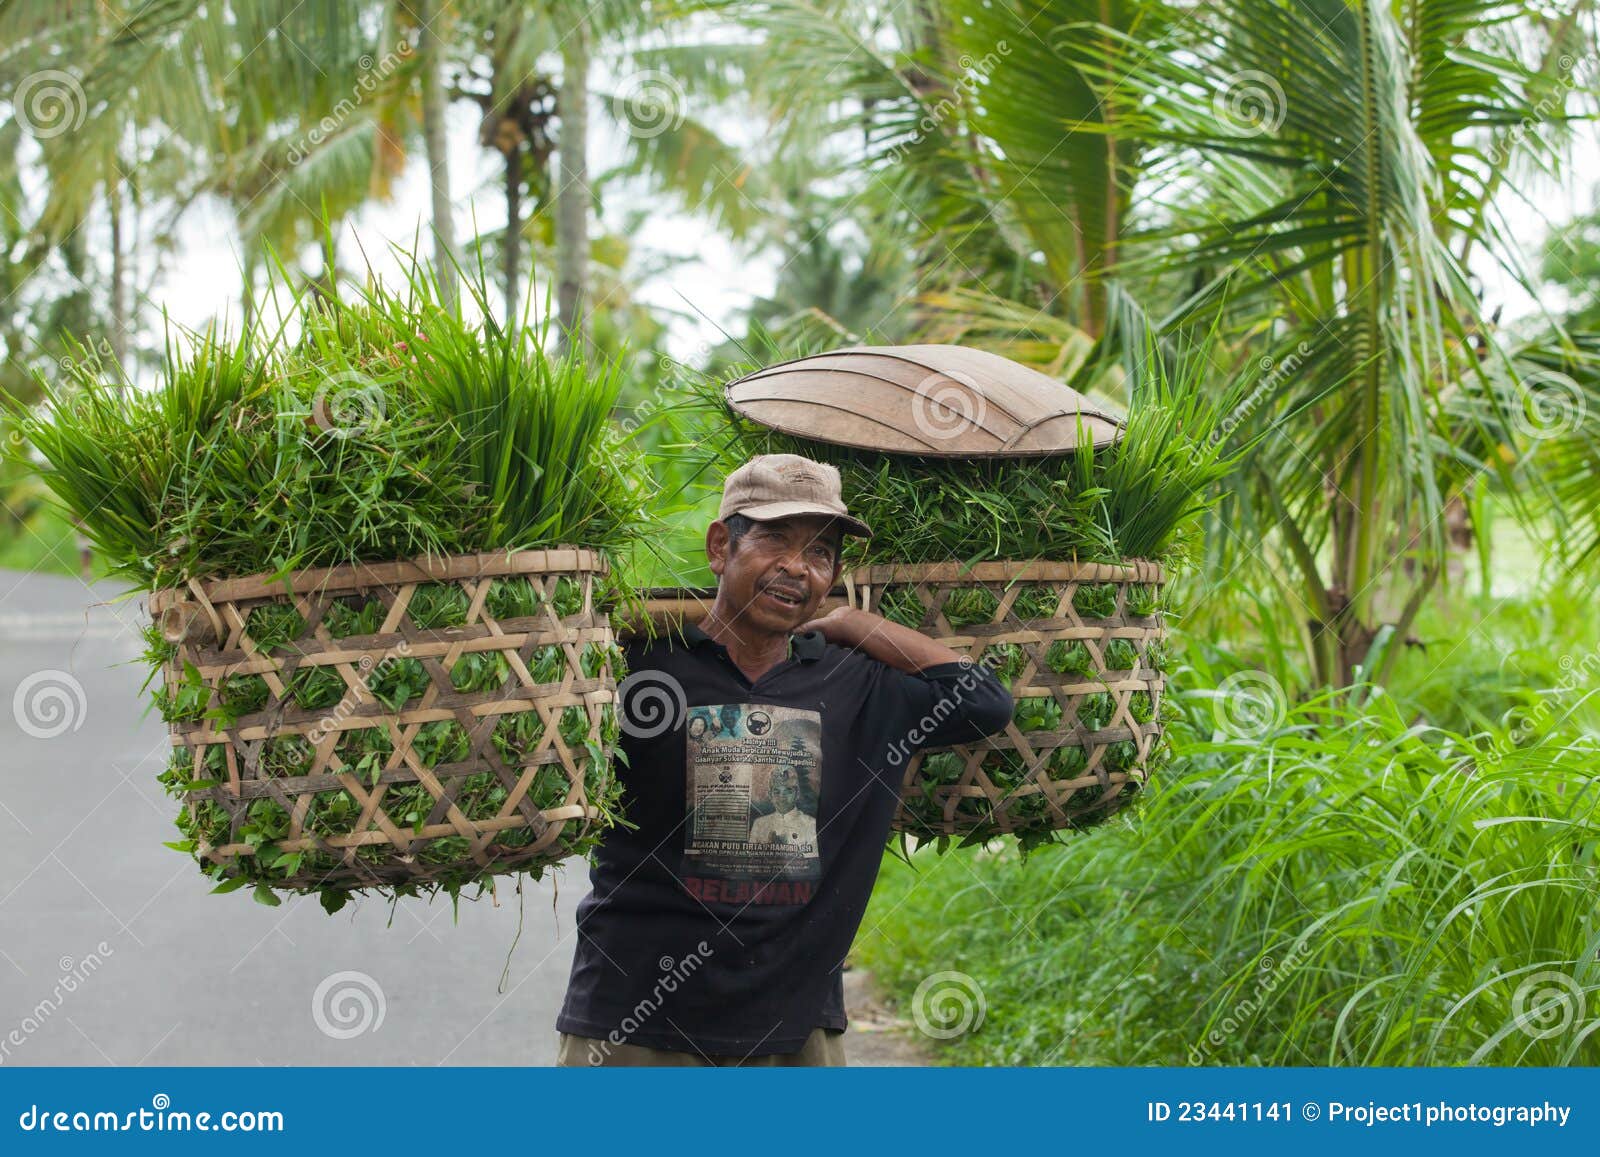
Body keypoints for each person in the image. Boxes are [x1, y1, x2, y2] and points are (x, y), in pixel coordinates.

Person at [555, 453, 1013, 1066]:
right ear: (722, 546)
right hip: (632, 1022)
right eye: (775, 539)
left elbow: (984, 702)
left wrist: (857, 624)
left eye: (821, 553)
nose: (797, 567)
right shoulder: (639, 670)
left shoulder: (861, 686)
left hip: (796, 1028)